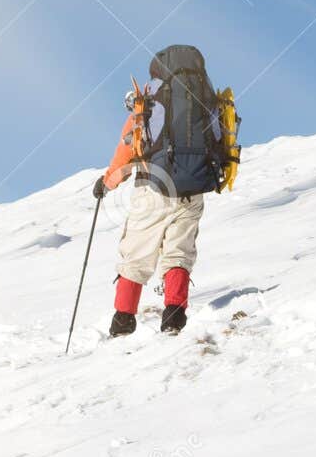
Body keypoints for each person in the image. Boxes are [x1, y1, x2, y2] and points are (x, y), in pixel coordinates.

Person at [94, 44, 230, 338]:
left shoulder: (150, 102)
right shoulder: (206, 100)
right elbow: (221, 143)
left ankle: (123, 321)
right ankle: (174, 318)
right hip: (193, 186)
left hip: (153, 187)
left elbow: (129, 149)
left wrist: (107, 182)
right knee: (179, 252)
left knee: (136, 253)